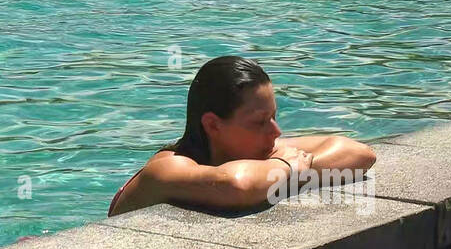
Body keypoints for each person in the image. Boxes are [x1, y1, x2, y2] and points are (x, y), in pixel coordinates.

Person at [107, 56, 376, 217]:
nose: (276, 132)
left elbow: (359, 153)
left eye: (274, 116)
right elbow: (236, 186)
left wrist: (282, 168)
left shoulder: (253, 149)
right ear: (213, 125)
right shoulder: (166, 169)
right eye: (259, 122)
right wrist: (287, 167)